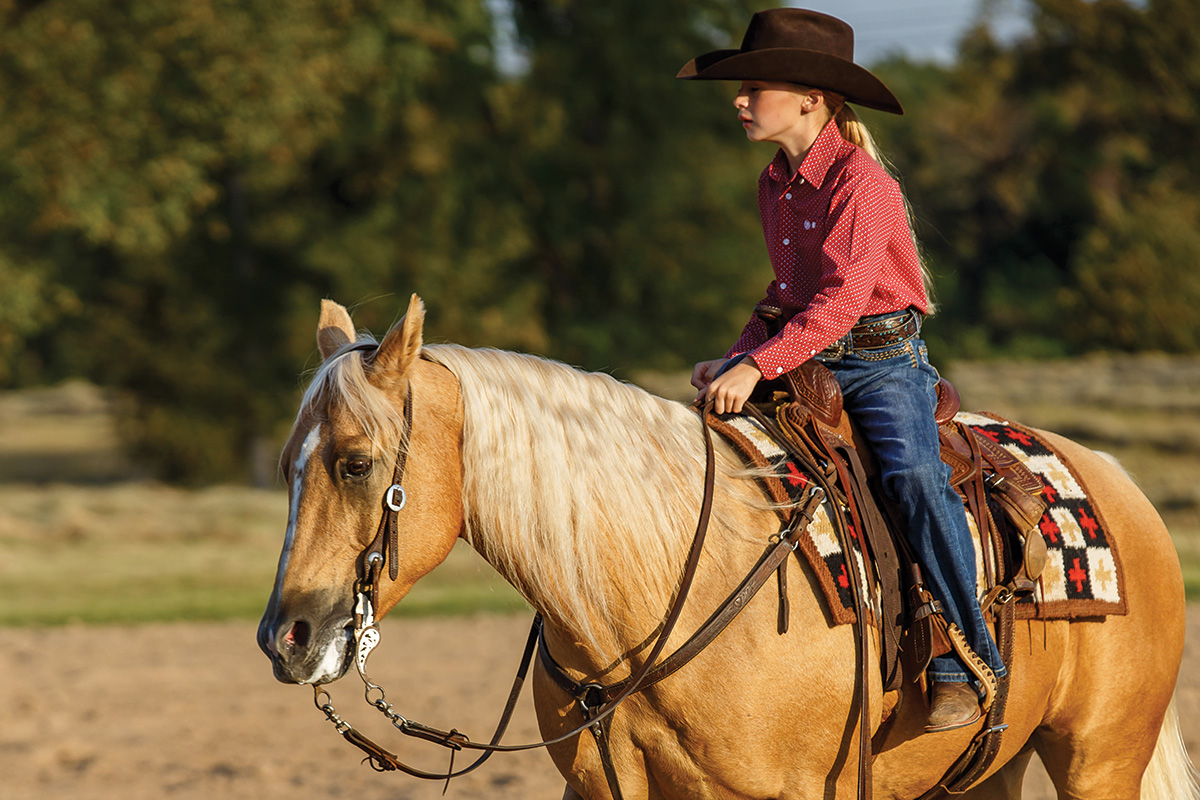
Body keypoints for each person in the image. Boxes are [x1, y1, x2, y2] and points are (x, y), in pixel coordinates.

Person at [678, 7, 1004, 732]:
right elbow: (785, 299)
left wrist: (758, 365)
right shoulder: (775, 183)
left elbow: (841, 301)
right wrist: (734, 360)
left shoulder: (864, 183)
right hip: (810, 353)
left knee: (916, 480)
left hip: (883, 360)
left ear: (809, 98)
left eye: (752, 87)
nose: (738, 101)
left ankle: (970, 653)